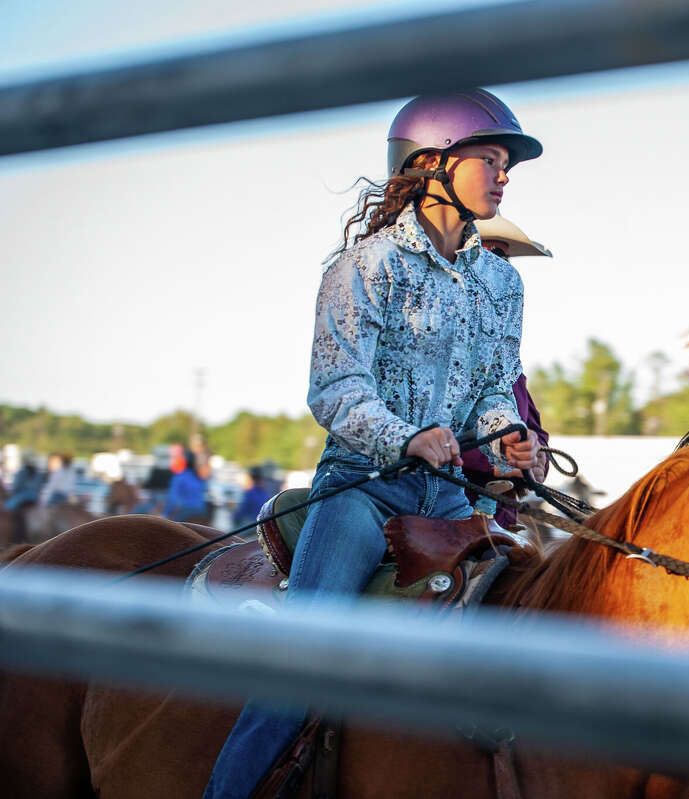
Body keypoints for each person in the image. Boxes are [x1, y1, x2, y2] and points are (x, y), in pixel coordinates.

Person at [204, 88, 543, 799]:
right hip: (361, 491)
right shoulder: (362, 269)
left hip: (454, 499)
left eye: (506, 162)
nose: (504, 173)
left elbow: (490, 389)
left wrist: (508, 436)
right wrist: (407, 437)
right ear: (430, 162)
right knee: (297, 675)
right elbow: (335, 388)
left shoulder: (502, 283)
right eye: (490, 157)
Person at [462, 213, 554, 528]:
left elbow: (533, 429)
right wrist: (501, 462)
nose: (499, 265)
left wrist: (537, 456)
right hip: (442, 514)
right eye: (489, 253)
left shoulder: (509, 364)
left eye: (503, 256)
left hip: (500, 519)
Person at [162, 450, 210, 524]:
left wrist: (166, 514)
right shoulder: (200, 479)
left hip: (185, 512)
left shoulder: (179, 477)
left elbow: (172, 498)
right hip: (201, 512)